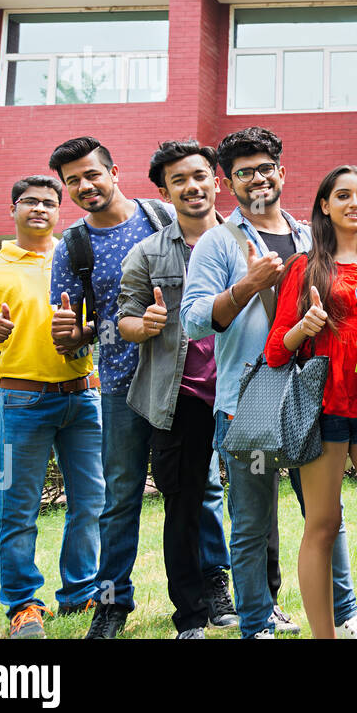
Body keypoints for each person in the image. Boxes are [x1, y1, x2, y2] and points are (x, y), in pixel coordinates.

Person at [180, 127, 357, 638]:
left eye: (265, 168)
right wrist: (246, 287)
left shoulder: (313, 238)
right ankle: (256, 624)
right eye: (244, 172)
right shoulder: (219, 241)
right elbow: (194, 321)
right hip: (251, 397)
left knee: (327, 514)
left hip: (313, 392)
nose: (257, 178)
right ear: (229, 183)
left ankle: (346, 616)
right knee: (252, 521)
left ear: (282, 173)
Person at [46, 136, 233, 639]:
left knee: (205, 489)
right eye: (73, 182)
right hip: (123, 382)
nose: (85, 186)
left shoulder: (160, 215)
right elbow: (78, 330)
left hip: (184, 380)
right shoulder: (74, 246)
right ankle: (111, 601)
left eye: (92, 174)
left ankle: (214, 586)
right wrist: (73, 336)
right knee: (122, 495)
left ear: (114, 171)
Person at [266, 165, 357, 638]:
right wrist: (302, 328)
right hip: (322, 411)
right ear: (324, 206)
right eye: (343, 195)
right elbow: (273, 352)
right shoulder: (305, 267)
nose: (355, 204)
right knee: (323, 526)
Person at [0, 176, 105, 639]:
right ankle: (23, 605)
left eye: (48, 202)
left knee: (91, 503)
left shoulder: (78, 260)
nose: (39, 208)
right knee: (16, 510)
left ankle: (80, 593)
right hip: (21, 402)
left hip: (83, 398)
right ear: (13, 210)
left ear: (59, 212)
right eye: (29, 201)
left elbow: (100, 323)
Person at [116, 141, 229, 638]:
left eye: (200, 176)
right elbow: (123, 318)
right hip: (178, 398)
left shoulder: (244, 241)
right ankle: (190, 615)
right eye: (179, 180)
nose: (192, 186)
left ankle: (238, 597)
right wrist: (144, 324)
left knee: (249, 502)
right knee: (182, 506)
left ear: (216, 181)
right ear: (164, 192)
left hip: (241, 395)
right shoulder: (148, 252)